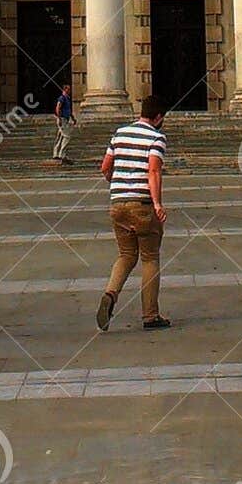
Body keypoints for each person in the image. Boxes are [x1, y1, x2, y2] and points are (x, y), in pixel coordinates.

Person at [96, 95, 171, 332]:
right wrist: (157, 204)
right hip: (142, 204)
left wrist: (116, 182)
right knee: (150, 257)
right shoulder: (156, 138)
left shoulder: (120, 133)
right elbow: (153, 172)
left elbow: (105, 167)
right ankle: (150, 315)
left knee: (126, 254)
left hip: (117, 204)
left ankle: (110, 293)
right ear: (158, 117)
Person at [51, 84, 75, 164]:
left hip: (66, 119)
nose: (70, 91)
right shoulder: (62, 98)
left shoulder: (67, 98)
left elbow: (68, 110)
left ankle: (56, 154)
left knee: (60, 137)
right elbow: (58, 107)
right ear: (64, 90)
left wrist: (73, 118)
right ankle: (62, 154)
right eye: (68, 89)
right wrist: (59, 118)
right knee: (67, 136)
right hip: (62, 119)